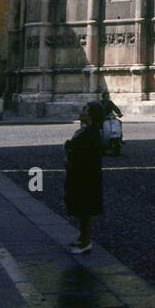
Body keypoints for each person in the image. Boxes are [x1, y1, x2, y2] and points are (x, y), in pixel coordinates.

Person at [63, 102, 104, 254]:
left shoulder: (91, 133)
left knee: (85, 208)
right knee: (80, 208)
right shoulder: (87, 130)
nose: (82, 111)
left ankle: (85, 242)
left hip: (85, 177)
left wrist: (69, 150)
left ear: (91, 115)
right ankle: (82, 237)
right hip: (80, 175)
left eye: (85, 109)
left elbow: (85, 154)